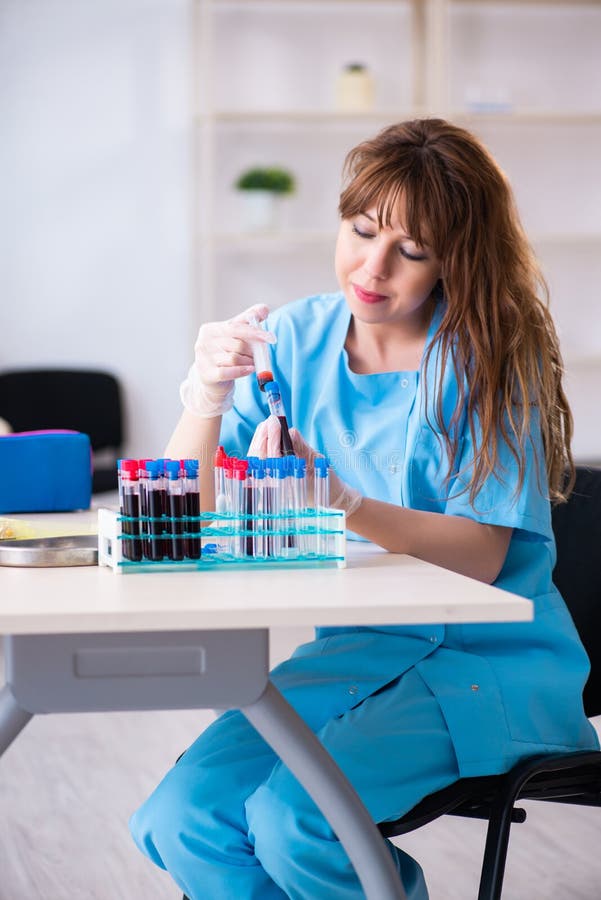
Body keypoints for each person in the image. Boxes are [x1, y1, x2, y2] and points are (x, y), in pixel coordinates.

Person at [129, 118, 599, 899]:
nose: (373, 268)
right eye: (360, 231)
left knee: (298, 819)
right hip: (361, 655)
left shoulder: (484, 356)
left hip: (487, 668)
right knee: (182, 818)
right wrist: (204, 396)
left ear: (455, 257)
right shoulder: (290, 342)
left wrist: (341, 501)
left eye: (411, 251)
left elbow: (482, 558)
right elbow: (177, 522)